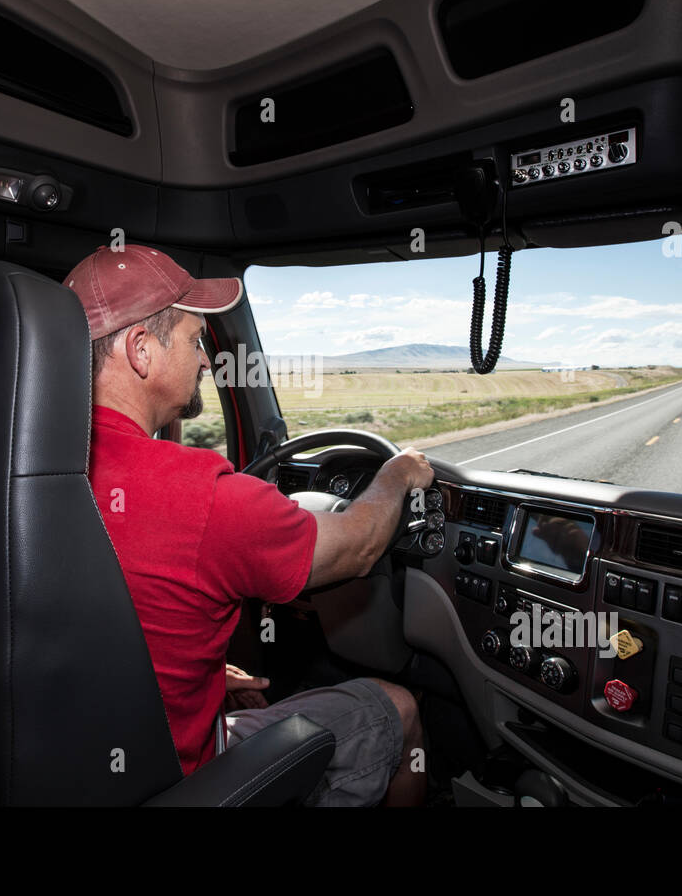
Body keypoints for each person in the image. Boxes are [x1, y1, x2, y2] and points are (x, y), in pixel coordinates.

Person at [66, 243, 434, 806]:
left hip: (77, 760)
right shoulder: (205, 496)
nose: (208, 361)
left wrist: (201, 681)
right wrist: (397, 474)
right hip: (180, 780)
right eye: (194, 341)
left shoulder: (27, 464)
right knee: (401, 709)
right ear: (142, 351)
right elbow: (358, 547)